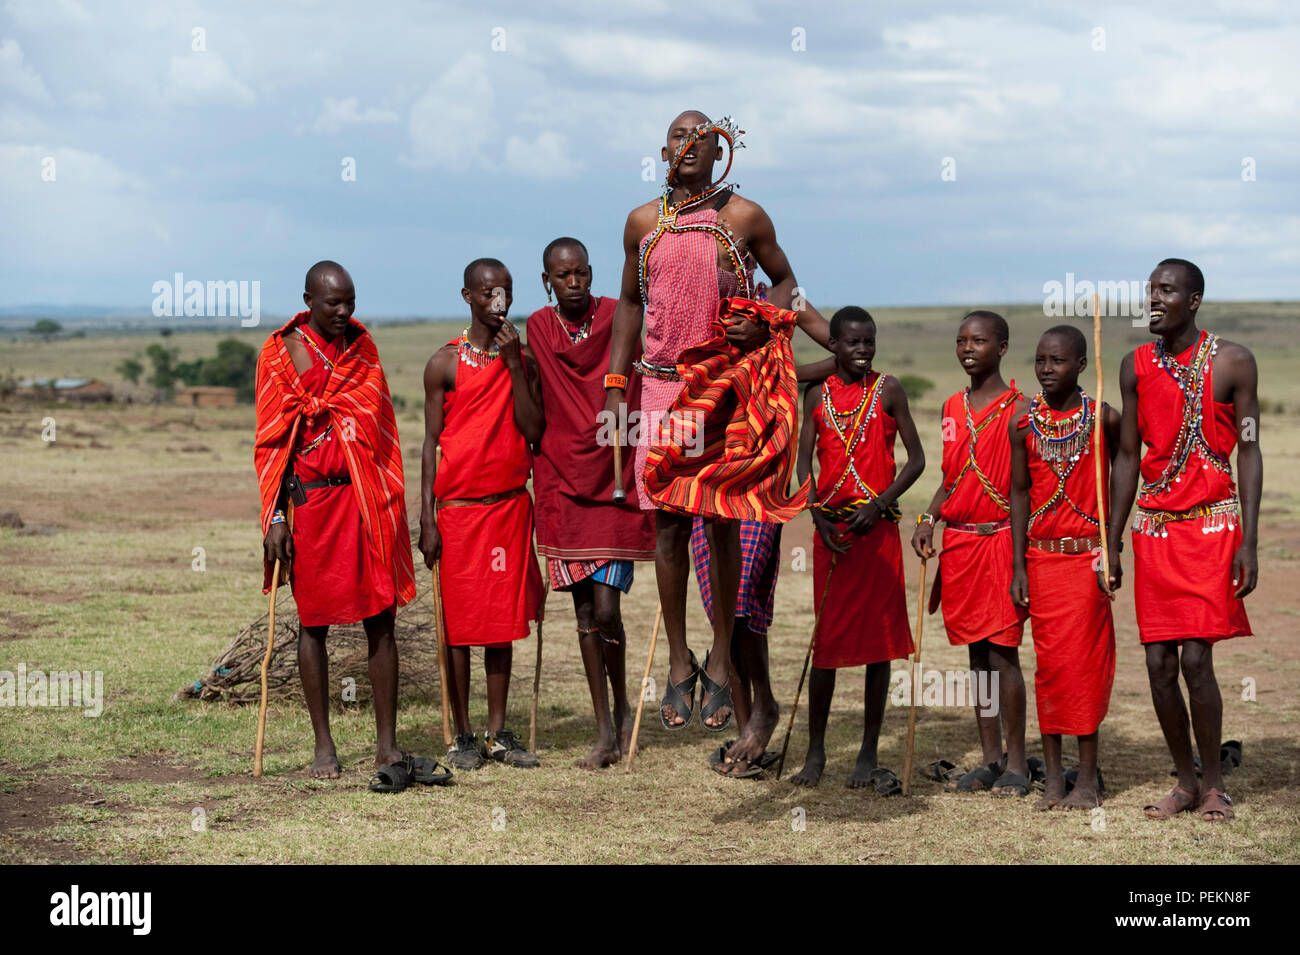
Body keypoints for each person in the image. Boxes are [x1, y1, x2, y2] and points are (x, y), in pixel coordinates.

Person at [603, 109, 831, 776]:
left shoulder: (746, 219)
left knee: (723, 517)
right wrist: (616, 383)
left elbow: (787, 281)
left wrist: (764, 322)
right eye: (678, 137)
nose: (689, 146)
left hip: (725, 386)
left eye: (702, 139)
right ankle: (680, 660)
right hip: (659, 387)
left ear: (721, 151)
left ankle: (723, 651)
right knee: (670, 526)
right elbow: (629, 304)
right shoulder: (643, 223)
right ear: (664, 149)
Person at [254, 260, 427, 792]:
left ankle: (386, 743)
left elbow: (376, 427)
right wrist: (277, 516)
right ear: (308, 299)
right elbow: (271, 440)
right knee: (314, 624)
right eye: (334, 303)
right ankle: (323, 743)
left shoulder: (362, 350)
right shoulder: (279, 354)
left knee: (381, 619)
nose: (345, 312)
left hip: (365, 502)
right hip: (309, 508)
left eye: (350, 301)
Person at [1106, 259, 1259, 823]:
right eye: (1149, 290)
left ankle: (1216, 784)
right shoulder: (1135, 365)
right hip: (1156, 531)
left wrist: (1251, 541)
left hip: (1213, 528)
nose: (1153, 299)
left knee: (1196, 658)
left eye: (1165, 291)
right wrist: (1113, 541)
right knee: (1158, 665)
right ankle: (1186, 781)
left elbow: (1248, 449)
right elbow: (1126, 456)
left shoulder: (1234, 361)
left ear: (1193, 300)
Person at [527, 236, 656, 769]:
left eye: (581, 272)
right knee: (583, 610)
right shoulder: (537, 327)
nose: (574, 282)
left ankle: (623, 706)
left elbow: (646, 374)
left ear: (591, 273)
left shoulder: (618, 317)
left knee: (607, 607)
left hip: (614, 469)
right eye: (563, 275)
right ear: (547, 282)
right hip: (562, 475)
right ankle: (605, 729)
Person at [418, 258, 546, 770]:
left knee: (500, 623)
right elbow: (430, 443)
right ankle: (463, 735)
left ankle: (498, 732)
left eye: (507, 292)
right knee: (458, 627)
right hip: (457, 512)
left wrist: (515, 364)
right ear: (468, 296)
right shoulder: (443, 364)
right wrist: (426, 517)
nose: (500, 301)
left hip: (508, 507)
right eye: (489, 292)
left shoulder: (524, 360)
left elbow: (534, 431)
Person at [790, 308, 925, 791]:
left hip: (878, 535)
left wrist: (882, 503)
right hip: (833, 537)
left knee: (879, 647)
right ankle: (816, 751)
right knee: (826, 646)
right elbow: (803, 465)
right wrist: (816, 513)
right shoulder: (816, 396)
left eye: (869, 341)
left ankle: (867, 754)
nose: (863, 350)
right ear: (834, 347)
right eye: (852, 342)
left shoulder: (887, 389)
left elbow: (917, 460)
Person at [911, 310, 1030, 797]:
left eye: (979, 341)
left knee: (1003, 655)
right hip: (959, 545)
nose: (967, 349)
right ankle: (990, 759)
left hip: (1000, 540)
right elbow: (952, 476)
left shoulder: (1022, 410)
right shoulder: (950, 407)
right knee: (976, 657)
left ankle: (1019, 763)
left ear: (1001, 347)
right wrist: (928, 517)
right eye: (961, 340)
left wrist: (1023, 559)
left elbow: (1026, 489)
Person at [1009, 325, 1119, 810]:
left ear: (1080, 365)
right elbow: (1017, 493)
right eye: (1040, 360)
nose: (1046, 370)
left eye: (1057, 361)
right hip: (1041, 559)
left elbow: (1132, 465)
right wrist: (1017, 566)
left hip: (1088, 559)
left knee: (1086, 670)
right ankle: (1053, 777)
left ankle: (1088, 778)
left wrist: (1112, 546)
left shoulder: (1103, 420)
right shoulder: (1023, 423)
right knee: (1050, 671)